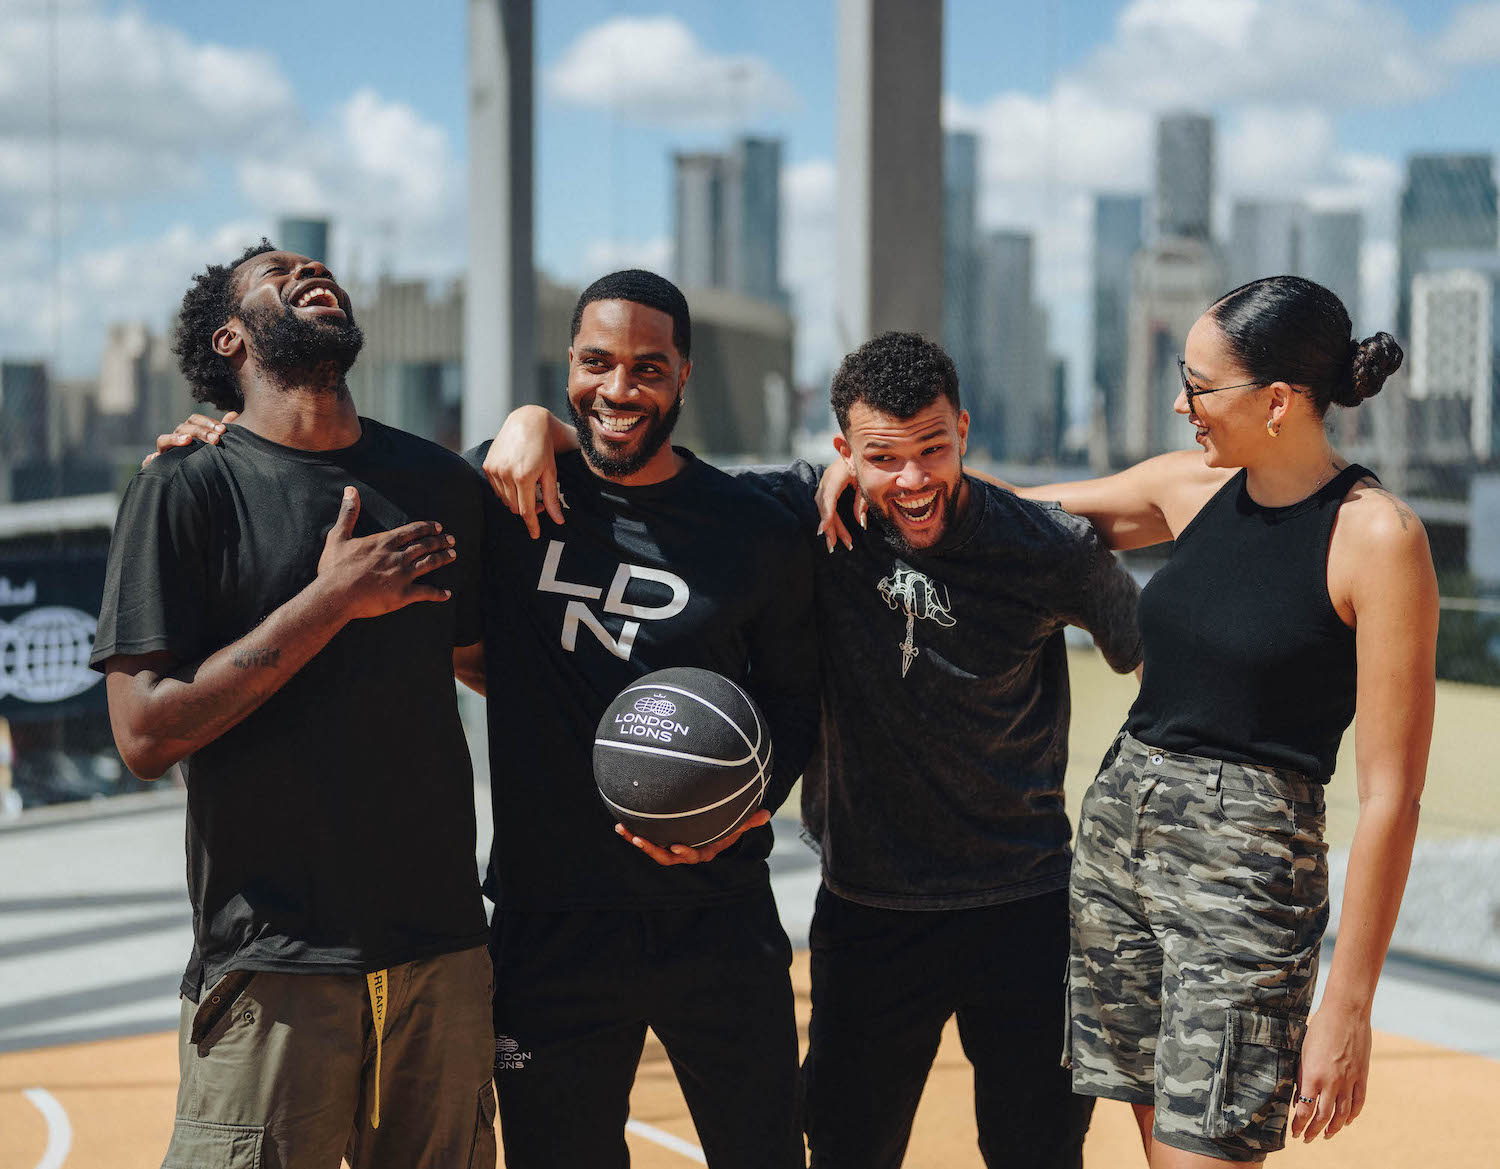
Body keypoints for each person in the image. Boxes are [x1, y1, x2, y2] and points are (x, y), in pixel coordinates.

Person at [154, 269, 819, 1169]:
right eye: (596, 363)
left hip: (718, 912)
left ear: (685, 375)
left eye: (648, 368)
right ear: (568, 367)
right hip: (550, 924)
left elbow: (792, 699)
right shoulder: (497, 498)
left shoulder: (754, 527)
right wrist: (220, 436)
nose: (619, 389)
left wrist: (748, 804)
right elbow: (338, 471)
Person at [485, 330, 1143, 1169]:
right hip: (869, 909)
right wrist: (539, 420)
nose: (912, 479)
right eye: (883, 455)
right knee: (843, 1149)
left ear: (965, 431)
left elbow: (1155, 669)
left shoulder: (1053, 548)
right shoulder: (800, 515)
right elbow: (653, 466)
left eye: (932, 449)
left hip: (1026, 905)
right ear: (842, 451)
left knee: (1039, 1149)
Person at [822, 277, 1437, 1166]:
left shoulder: (1377, 536)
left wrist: (1348, 1004)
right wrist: (876, 467)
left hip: (1246, 872)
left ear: (1277, 400)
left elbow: (1393, 794)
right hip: (1119, 847)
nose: (1181, 403)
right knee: (1153, 1141)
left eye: (1198, 385)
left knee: (1206, 1151)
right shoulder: (1188, 484)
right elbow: (1011, 510)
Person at [99, 242, 497, 1168]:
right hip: (270, 959)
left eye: (318, 264)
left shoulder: (438, 484)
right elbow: (145, 733)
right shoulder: (184, 488)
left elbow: (490, 666)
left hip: (440, 947)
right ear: (230, 338)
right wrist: (330, 602)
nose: (311, 269)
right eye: (279, 270)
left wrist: (535, 426)